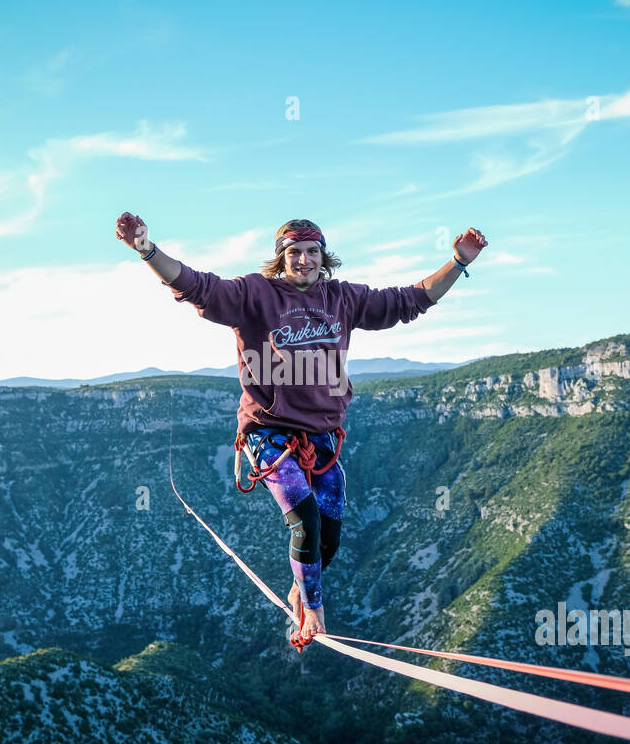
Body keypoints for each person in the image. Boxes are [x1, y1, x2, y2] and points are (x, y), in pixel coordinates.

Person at [115, 213, 486, 647]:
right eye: (294, 253)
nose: (304, 260)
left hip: (321, 436)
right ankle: (313, 611)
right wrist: (147, 249)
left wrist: (458, 263)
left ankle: (301, 587)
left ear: (323, 256)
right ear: (281, 257)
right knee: (305, 520)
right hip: (269, 432)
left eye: (312, 252)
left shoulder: (343, 299)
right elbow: (198, 286)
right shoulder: (255, 294)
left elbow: (410, 301)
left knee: (330, 536)